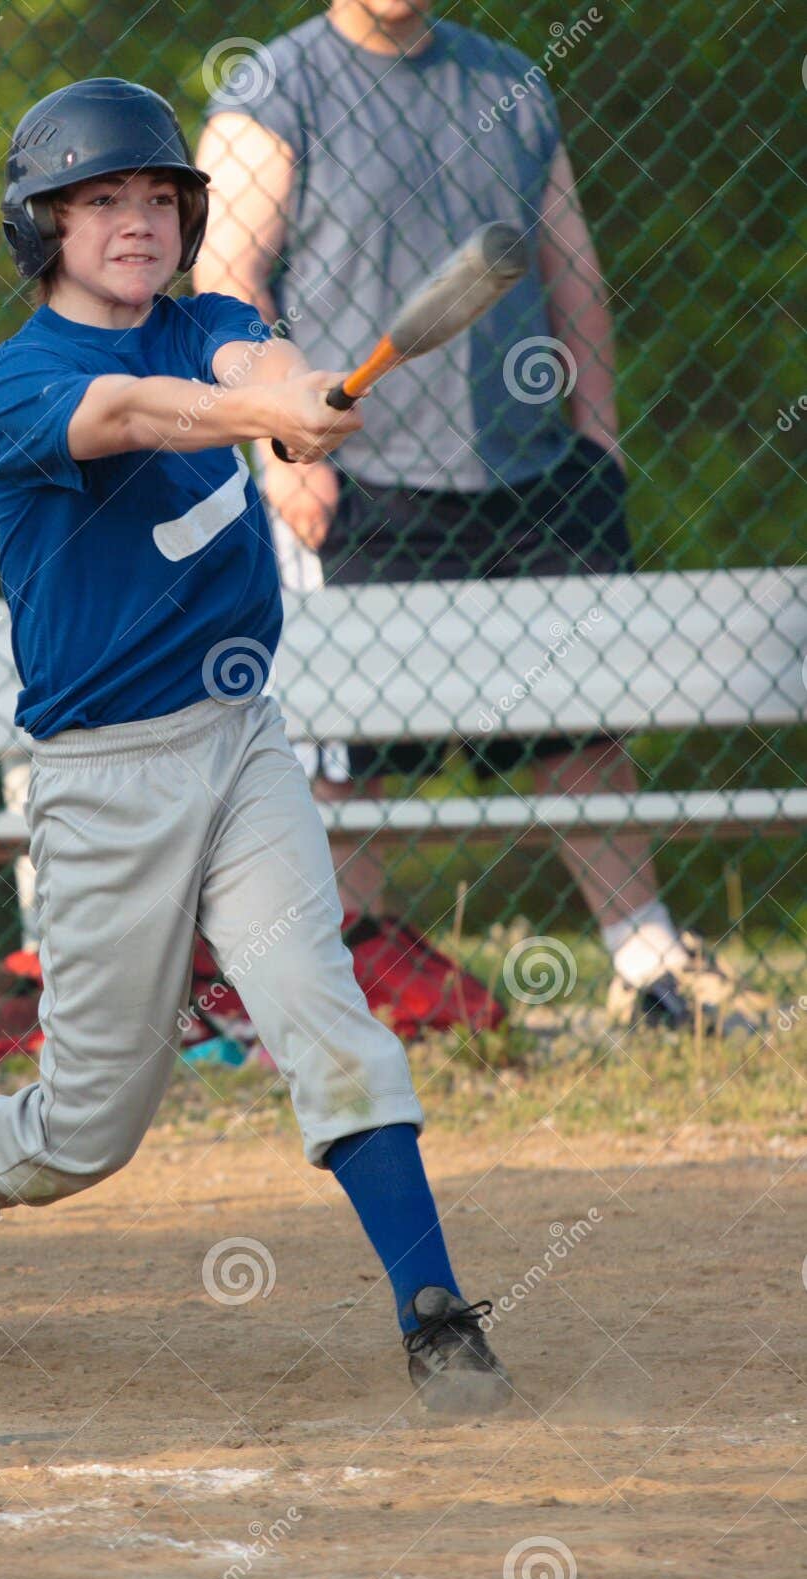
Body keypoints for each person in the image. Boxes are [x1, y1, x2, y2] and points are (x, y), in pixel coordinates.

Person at [0, 78, 512, 1415]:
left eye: (157, 197)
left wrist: (295, 398)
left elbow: (254, 364)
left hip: (238, 744)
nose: (135, 219)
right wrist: (257, 418)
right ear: (39, 226)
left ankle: (434, 1312)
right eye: (99, 198)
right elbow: (128, 417)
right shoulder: (20, 380)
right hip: (105, 784)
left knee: (323, 1023)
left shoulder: (215, 321)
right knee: (79, 1129)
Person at [194, 0, 720, 1030]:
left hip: (529, 475)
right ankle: (353, 983)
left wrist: (598, 440)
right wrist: (279, 446)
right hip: (351, 479)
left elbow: (571, 273)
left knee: (583, 733)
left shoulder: (510, 84)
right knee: (349, 761)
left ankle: (654, 971)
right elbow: (227, 281)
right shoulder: (276, 90)